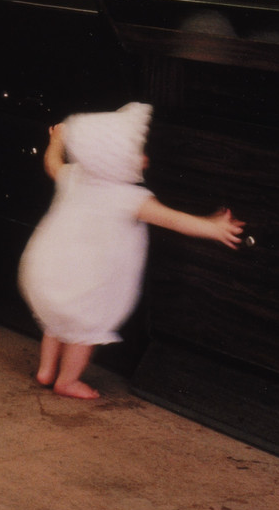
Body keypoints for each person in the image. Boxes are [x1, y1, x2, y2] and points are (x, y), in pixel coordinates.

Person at [17, 102, 243, 400]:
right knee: (83, 332)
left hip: (53, 271)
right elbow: (176, 220)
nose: (146, 160)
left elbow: (51, 163)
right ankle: (67, 380)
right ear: (116, 162)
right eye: (138, 153)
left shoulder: (75, 177)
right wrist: (213, 227)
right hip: (88, 284)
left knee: (56, 322)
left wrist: (56, 141)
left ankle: (46, 370)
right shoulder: (130, 198)